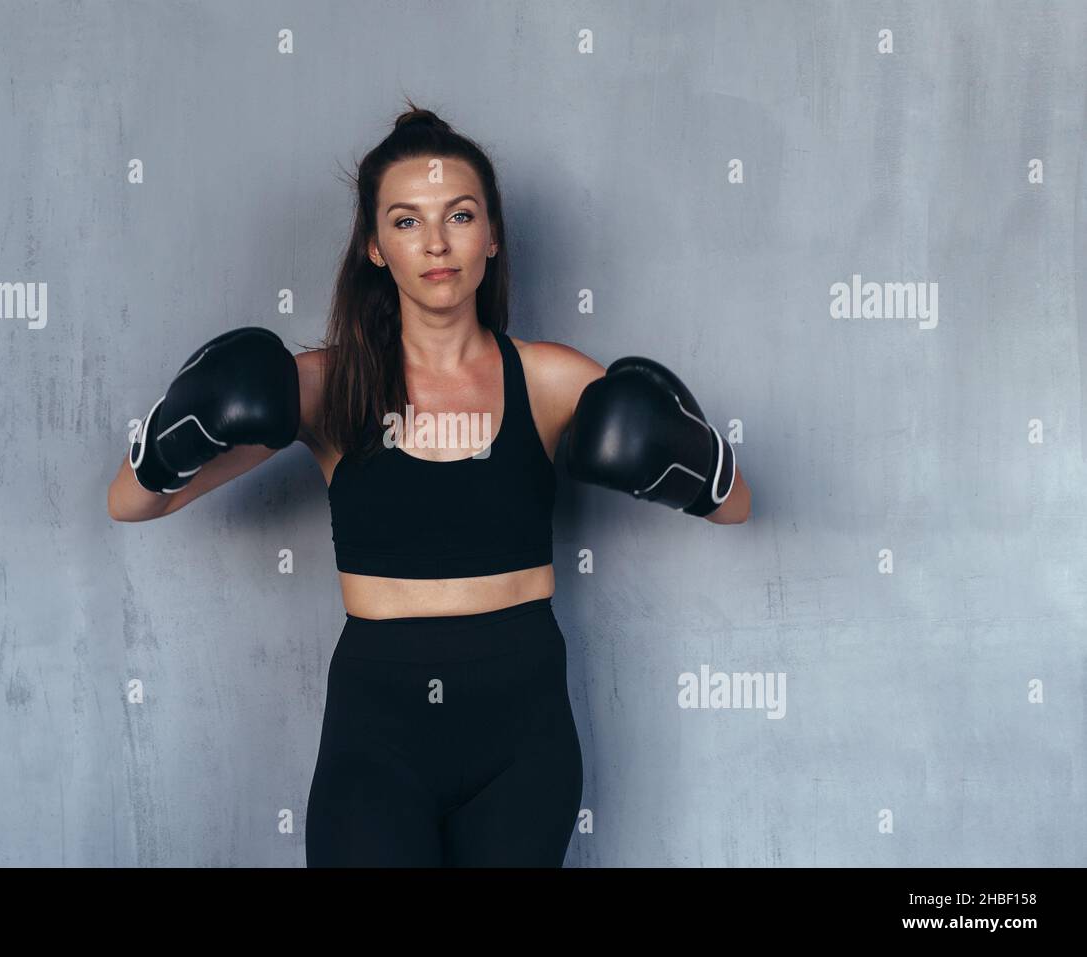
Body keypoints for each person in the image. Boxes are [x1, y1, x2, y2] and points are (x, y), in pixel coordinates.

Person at [106, 101, 752, 868]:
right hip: (378, 730)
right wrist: (187, 416)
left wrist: (680, 442)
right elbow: (133, 501)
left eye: (461, 215)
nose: (437, 243)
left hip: (524, 731)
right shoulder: (326, 387)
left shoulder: (549, 379)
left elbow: (734, 507)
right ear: (375, 247)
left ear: (493, 235)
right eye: (406, 221)